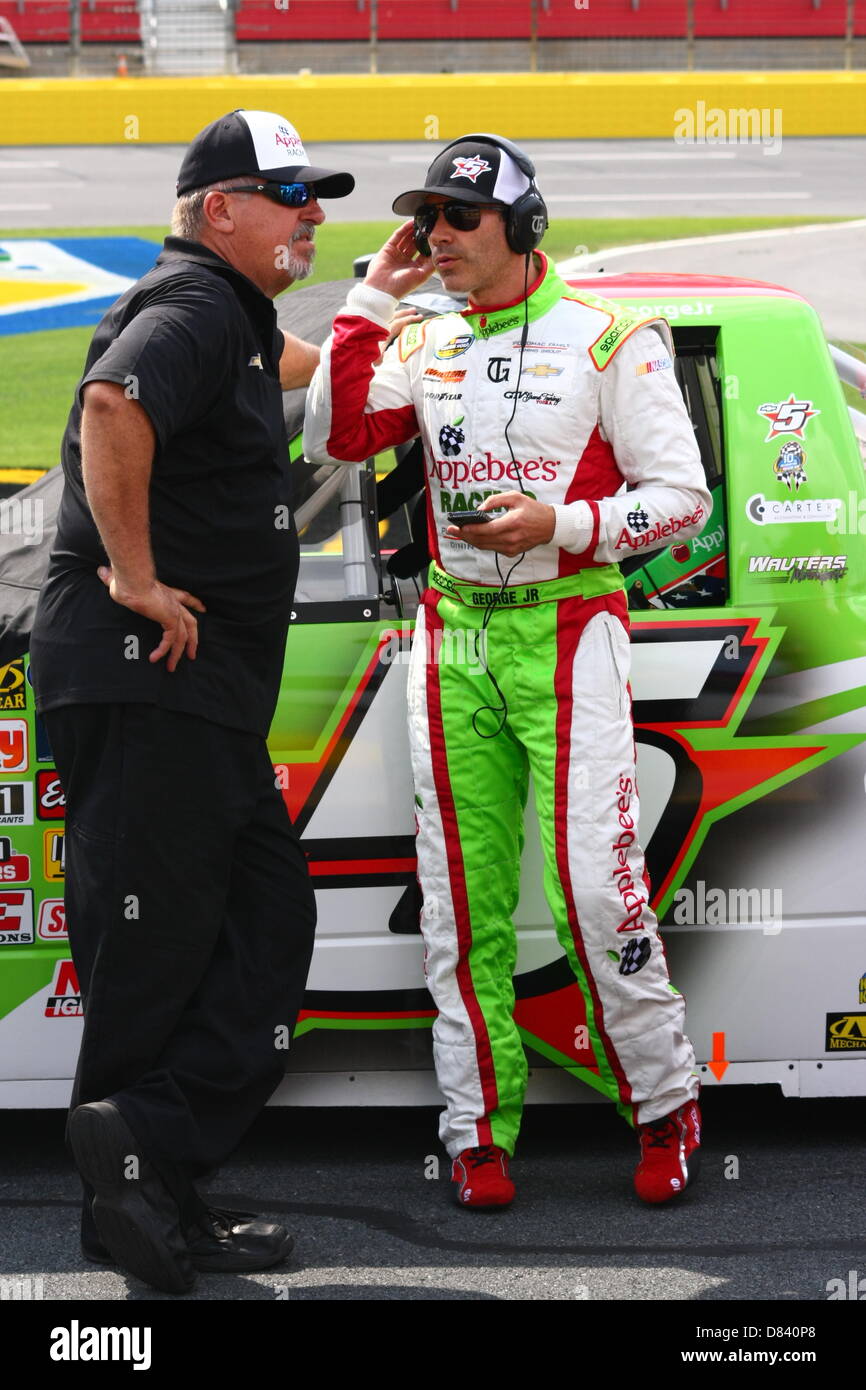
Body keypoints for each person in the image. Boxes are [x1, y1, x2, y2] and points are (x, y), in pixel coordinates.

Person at [304, 134, 710, 1209]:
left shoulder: (611, 335)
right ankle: (474, 1129)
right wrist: (368, 298)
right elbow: (342, 436)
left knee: (593, 890)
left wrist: (563, 524)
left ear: (521, 228)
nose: (435, 236)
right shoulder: (423, 336)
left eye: (457, 218)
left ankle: (666, 1109)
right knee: (459, 904)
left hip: (570, 629)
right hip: (451, 640)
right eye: (424, 219)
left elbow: (681, 499)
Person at [29, 109, 354, 1293]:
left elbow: (308, 370)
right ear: (221, 209)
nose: (312, 213)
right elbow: (116, 405)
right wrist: (132, 575)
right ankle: (137, 1190)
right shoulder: (192, 307)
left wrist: (388, 317)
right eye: (291, 195)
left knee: (253, 925)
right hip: (145, 673)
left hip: (183, 690)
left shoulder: (228, 314)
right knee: (158, 946)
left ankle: (149, 1167)